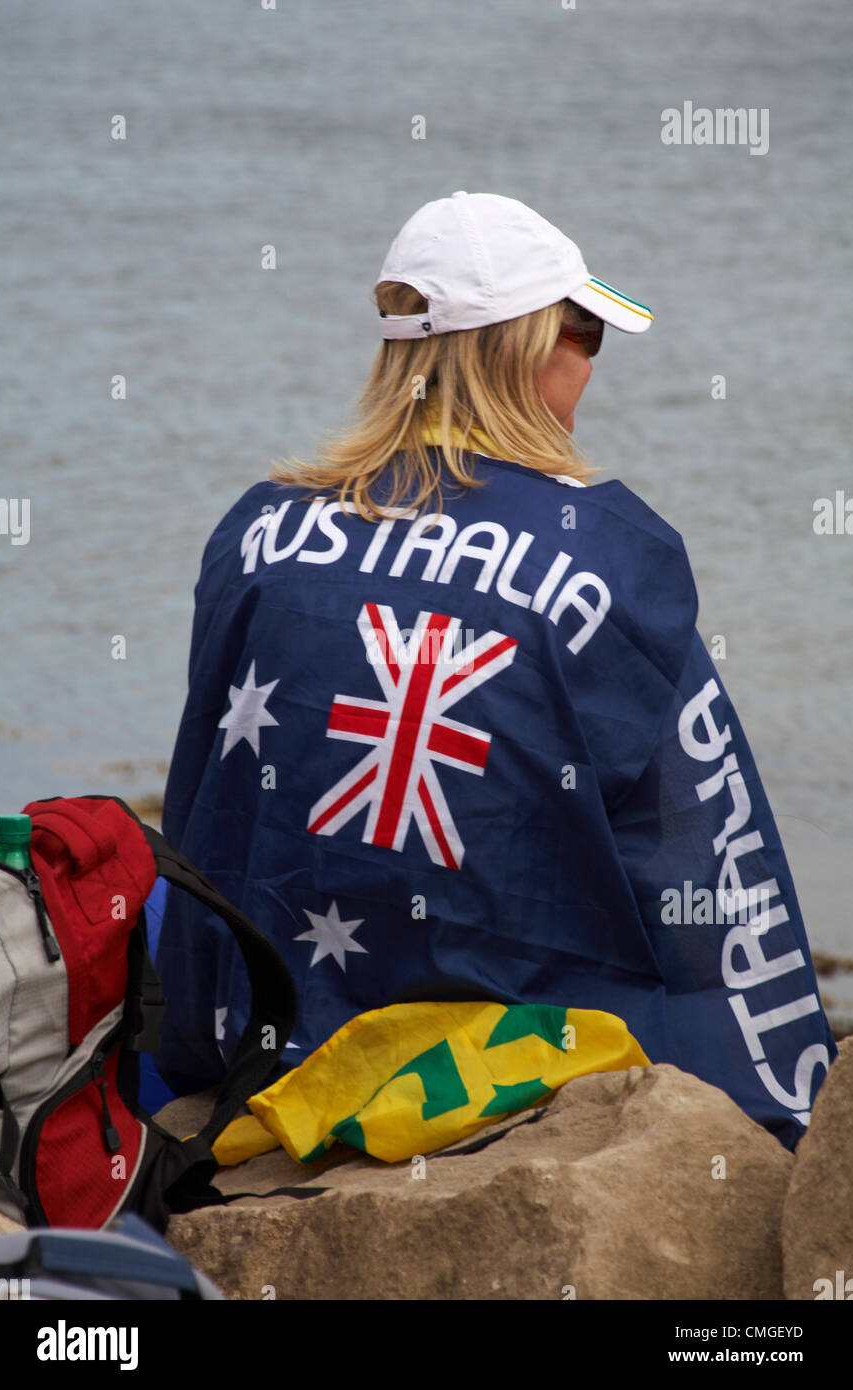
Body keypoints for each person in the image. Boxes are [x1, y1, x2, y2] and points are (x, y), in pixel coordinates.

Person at [154, 191, 835, 1151]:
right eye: (587, 332)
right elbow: (715, 873)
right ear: (524, 349)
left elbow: (204, 805)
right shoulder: (612, 557)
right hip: (509, 1050)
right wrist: (790, 1109)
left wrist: (192, 1047)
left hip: (273, 1030)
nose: (592, 367)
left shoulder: (257, 531)